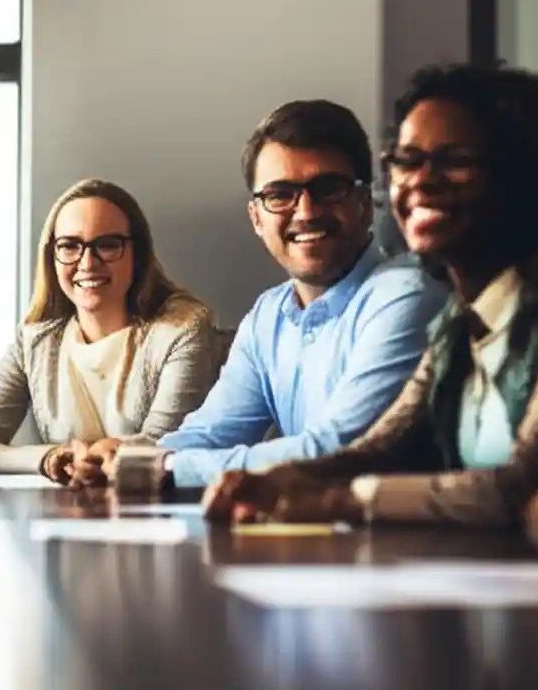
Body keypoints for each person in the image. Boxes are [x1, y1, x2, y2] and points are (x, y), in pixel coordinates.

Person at [203, 64, 538, 528]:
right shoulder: (457, 326)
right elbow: (377, 448)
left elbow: (516, 487)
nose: (422, 181)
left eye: (455, 160)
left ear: (523, 179)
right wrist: (275, 481)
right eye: (408, 160)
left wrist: (339, 500)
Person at [67, 99, 447, 491]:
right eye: (280, 195)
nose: (306, 211)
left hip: (405, 544)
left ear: (365, 204)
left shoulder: (406, 296)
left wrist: (162, 466)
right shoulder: (269, 315)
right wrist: (128, 457)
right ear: (256, 218)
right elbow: (212, 431)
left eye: (328, 189)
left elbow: (338, 450)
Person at [0, 179, 215, 477]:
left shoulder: (182, 329)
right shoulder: (35, 341)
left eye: (107, 245)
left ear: (137, 255)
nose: (87, 262)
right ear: (52, 256)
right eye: (69, 246)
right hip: (65, 517)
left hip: (157, 513)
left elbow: (168, 443)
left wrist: (109, 451)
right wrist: (50, 458)